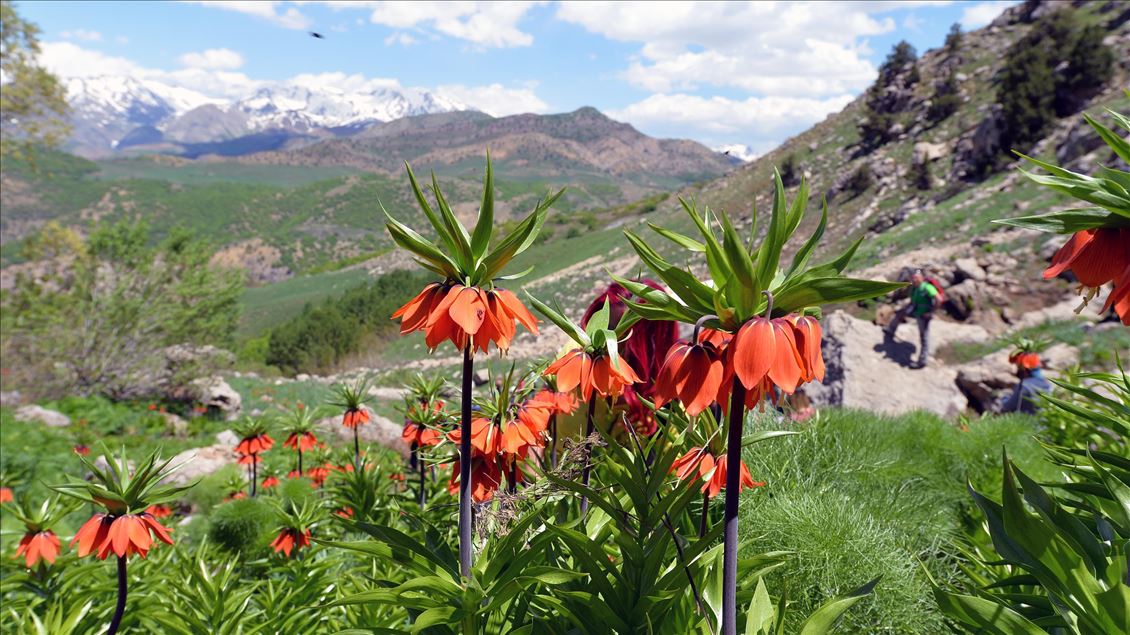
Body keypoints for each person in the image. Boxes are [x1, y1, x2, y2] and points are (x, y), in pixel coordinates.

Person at [885, 269, 940, 368]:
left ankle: (922, 361)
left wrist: (931, 312)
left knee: (924, 336)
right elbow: (912, 299)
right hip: (914, 309)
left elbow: (938, 299)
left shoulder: (927, 287)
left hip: (923, 314)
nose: (915, 280)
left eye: (917, 278)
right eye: (913, 278)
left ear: (922, 278)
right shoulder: (914, 288)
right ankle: (890, 330)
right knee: (899, 315)